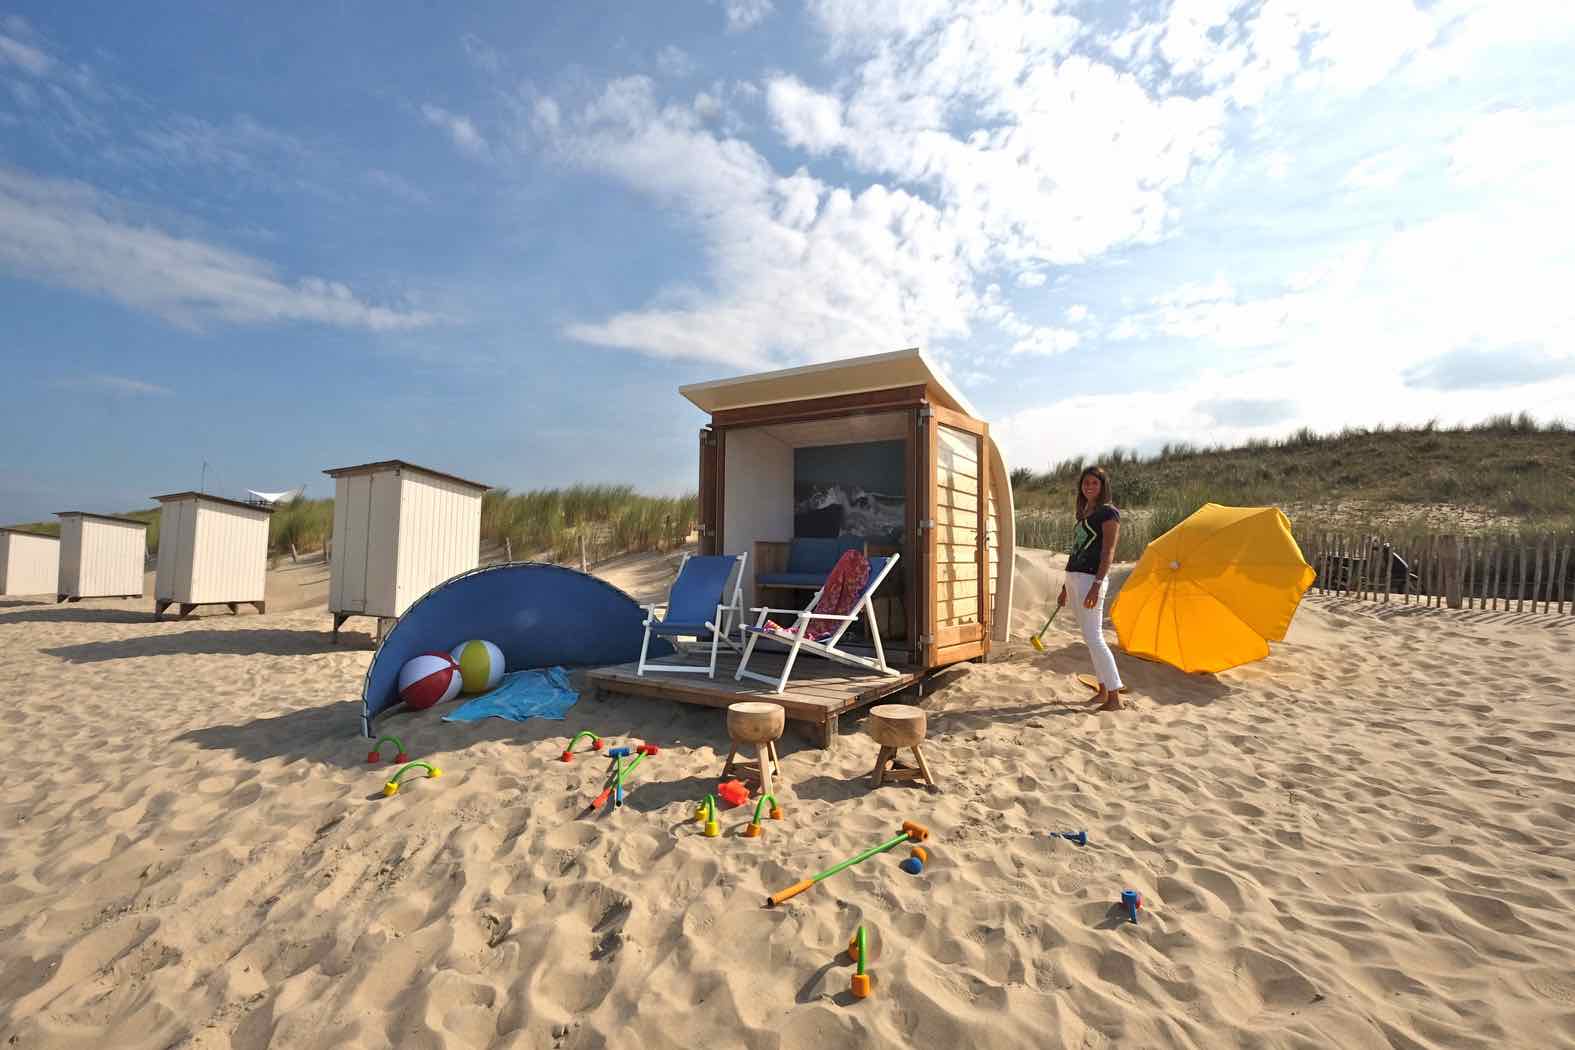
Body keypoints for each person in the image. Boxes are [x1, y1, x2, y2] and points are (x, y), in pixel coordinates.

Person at [1057, 465, 1124, 711]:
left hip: (1090, 580)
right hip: (1074, 577)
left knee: (1095, 637)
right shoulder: (1084, 512)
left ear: (1103, 486)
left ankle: (1115, 697)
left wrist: (1097, 585)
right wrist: (1065, 588)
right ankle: (1103, 690)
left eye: (1095, 483)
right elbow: (1076, 550)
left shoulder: (1109, 513)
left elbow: (1108, 551)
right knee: (1089, 637)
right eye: (1086, 483)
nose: (1089, 487)